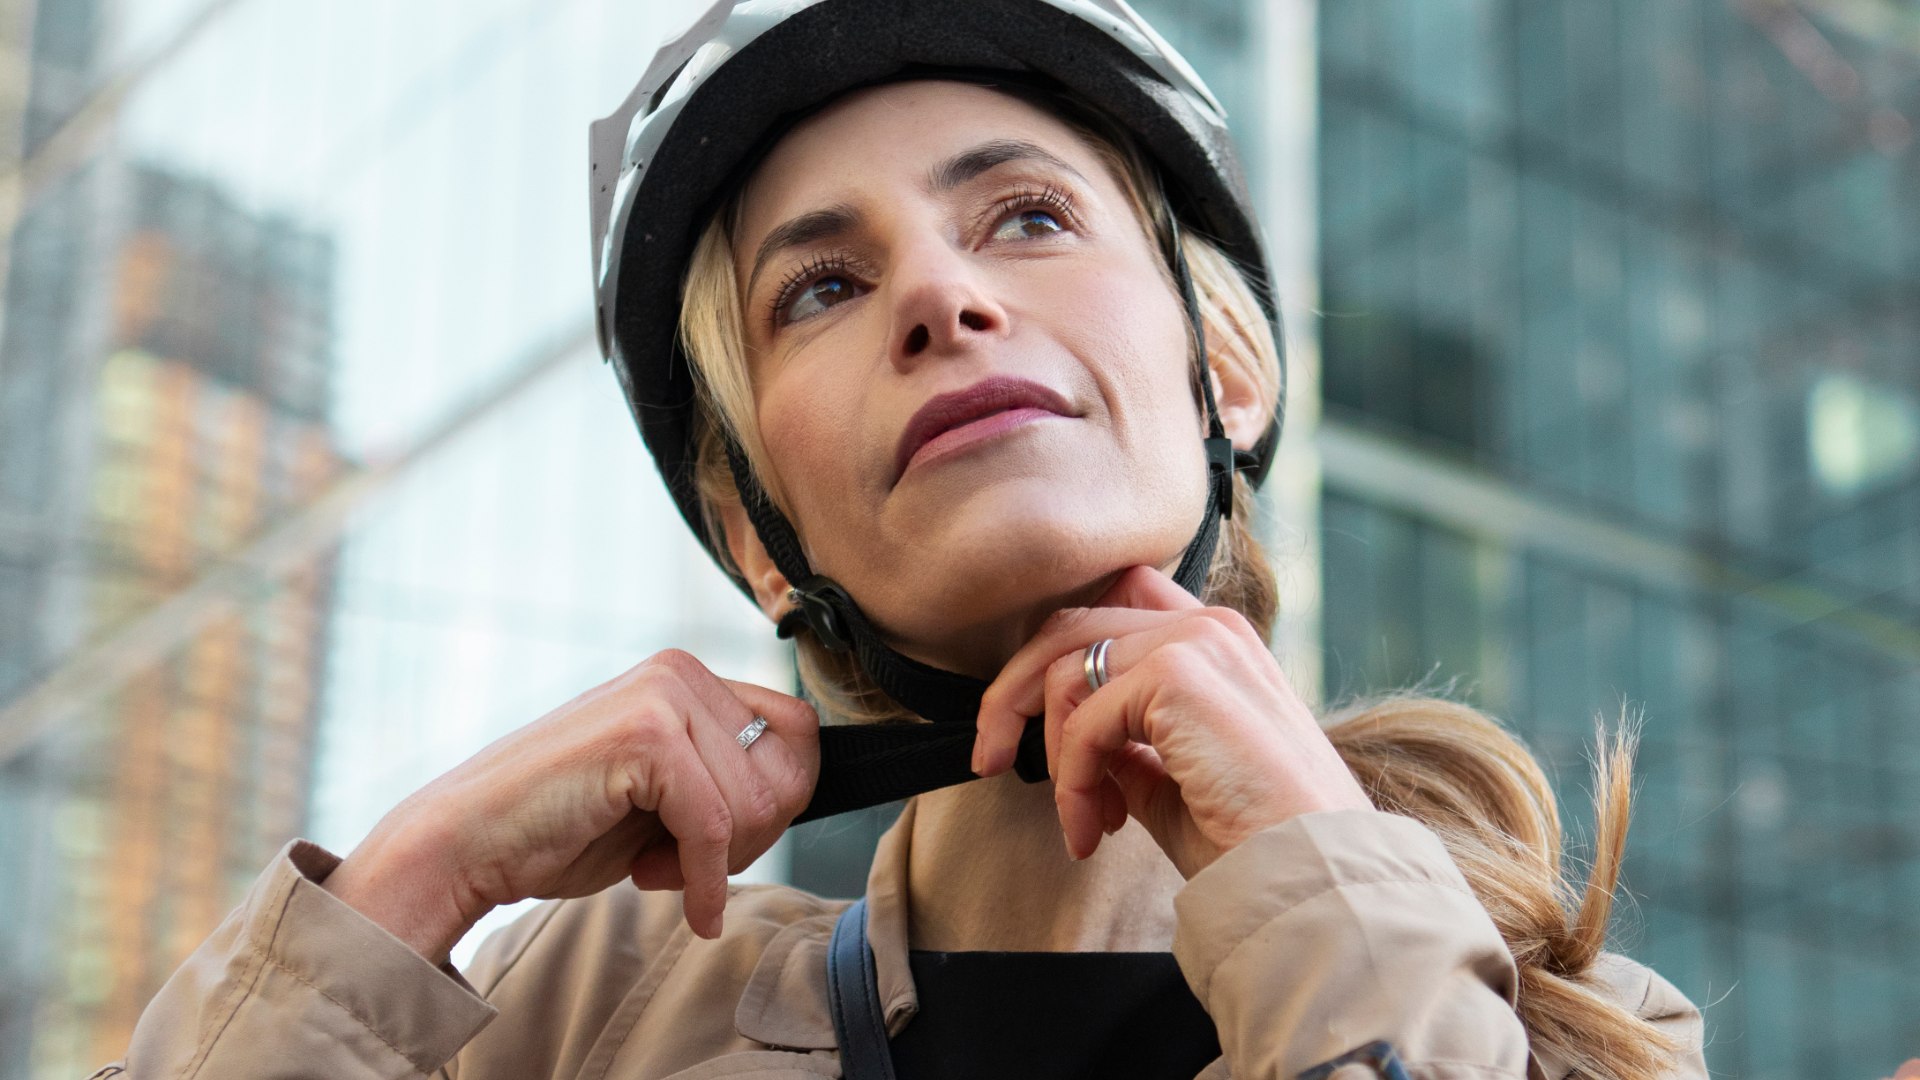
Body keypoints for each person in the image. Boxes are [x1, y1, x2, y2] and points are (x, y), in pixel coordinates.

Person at [98, 2, 1709, 1078]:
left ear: (1224, 369)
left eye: (1029, 215)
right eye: (821, 287)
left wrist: (1322, 886)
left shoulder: (1572, 1028)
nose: (941, 294)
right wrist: (418, 878)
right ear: (757, 533)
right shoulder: (575, 1021)